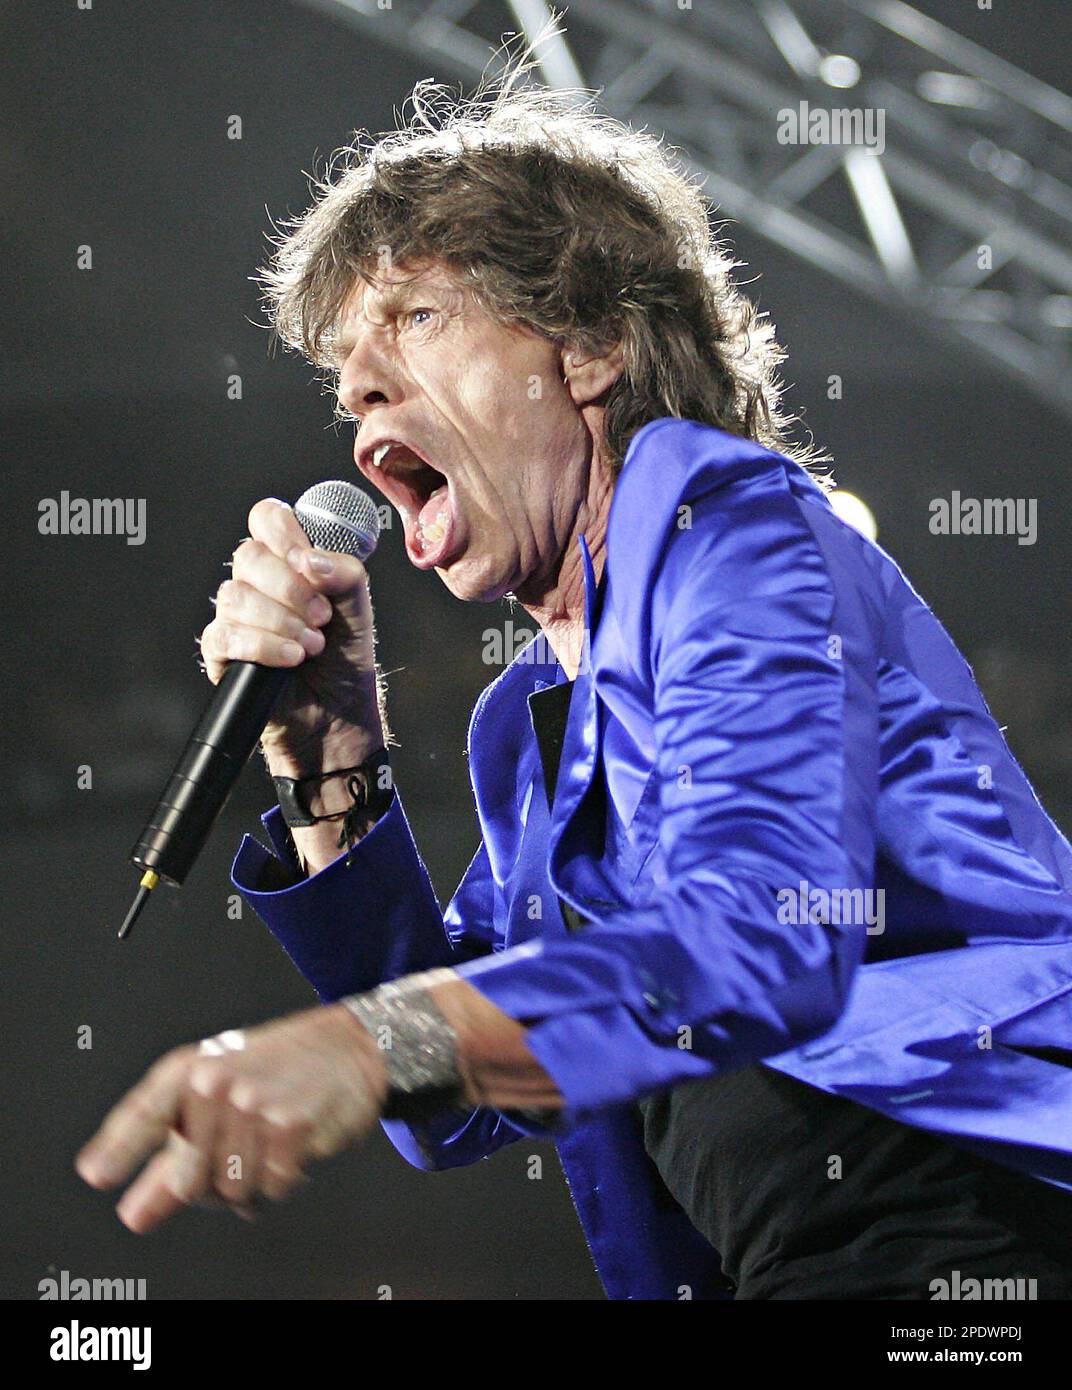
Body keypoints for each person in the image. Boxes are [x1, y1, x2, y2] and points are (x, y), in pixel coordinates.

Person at [77, 58, 1072, 1301]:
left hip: (972, 1233)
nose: (356, 387)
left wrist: (363, 1044)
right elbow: (448, 1108)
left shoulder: (730, 526)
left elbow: (763, 936)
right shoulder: (539, 735)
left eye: (417, 320)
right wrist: (334, 764)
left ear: (591, 346)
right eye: (344, 366)